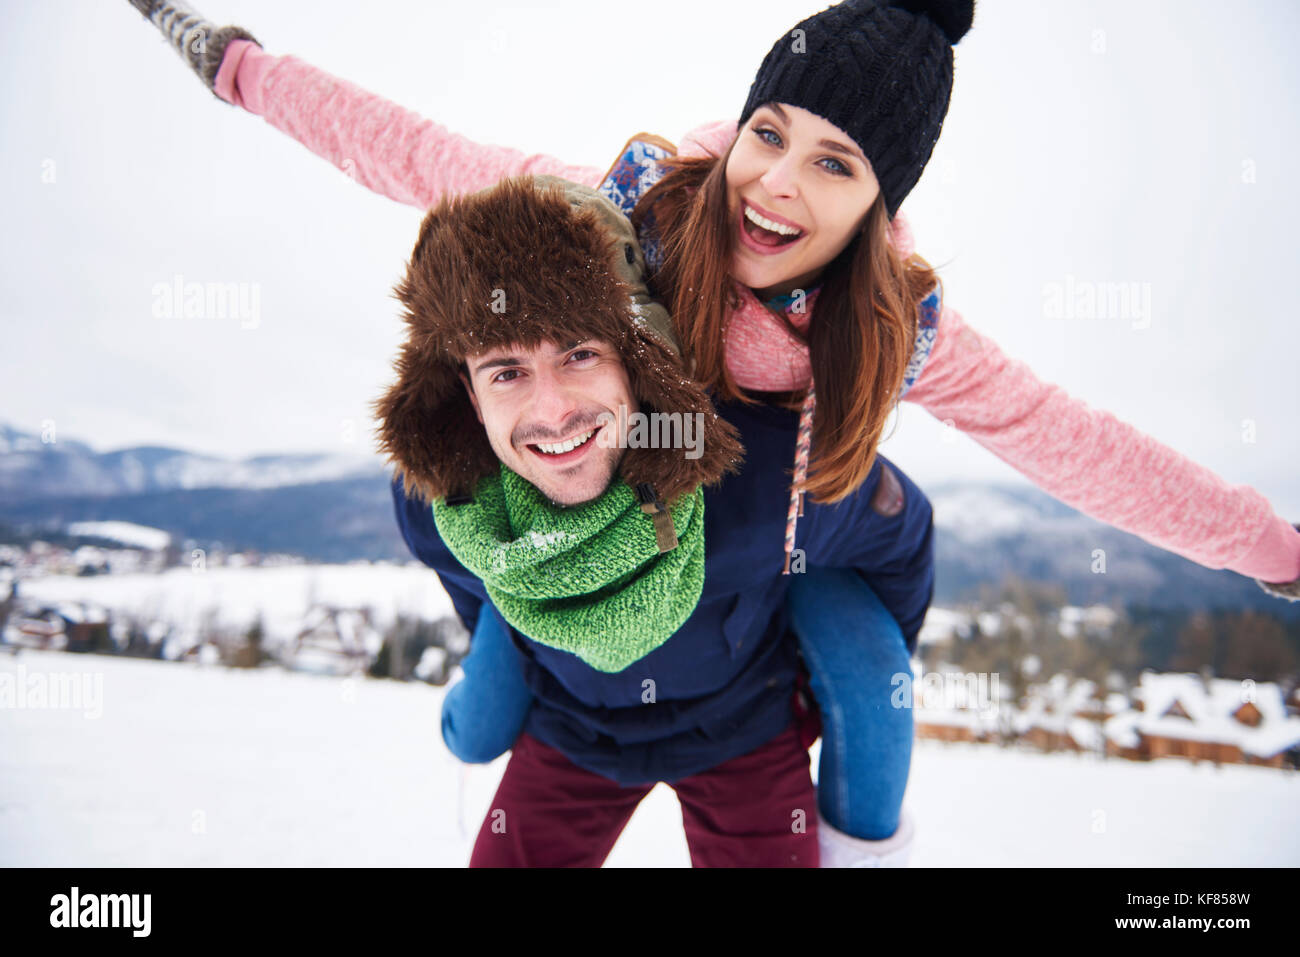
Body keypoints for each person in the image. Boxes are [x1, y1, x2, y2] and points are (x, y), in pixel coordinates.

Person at [126, 0, 1300, 866]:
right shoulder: (613, 213)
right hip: (575, 694)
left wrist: (1279, 553)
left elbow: (1083, 447)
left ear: (876, 205)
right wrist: (236, 67)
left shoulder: (892, 330)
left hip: (740, 698)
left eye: (833, 163)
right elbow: (411, 151)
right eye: (769, 132)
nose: (775, 184)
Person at [376, 171, 936, 866]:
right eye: (506, 371)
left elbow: (900, 537)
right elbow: (475, 594)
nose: (553, 412)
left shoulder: (763, 477)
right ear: (467, 389)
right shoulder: (442, 503)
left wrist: (844, 648)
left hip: (739, 724)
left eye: (579, 353)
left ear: (639, 355)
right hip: (572, 727)